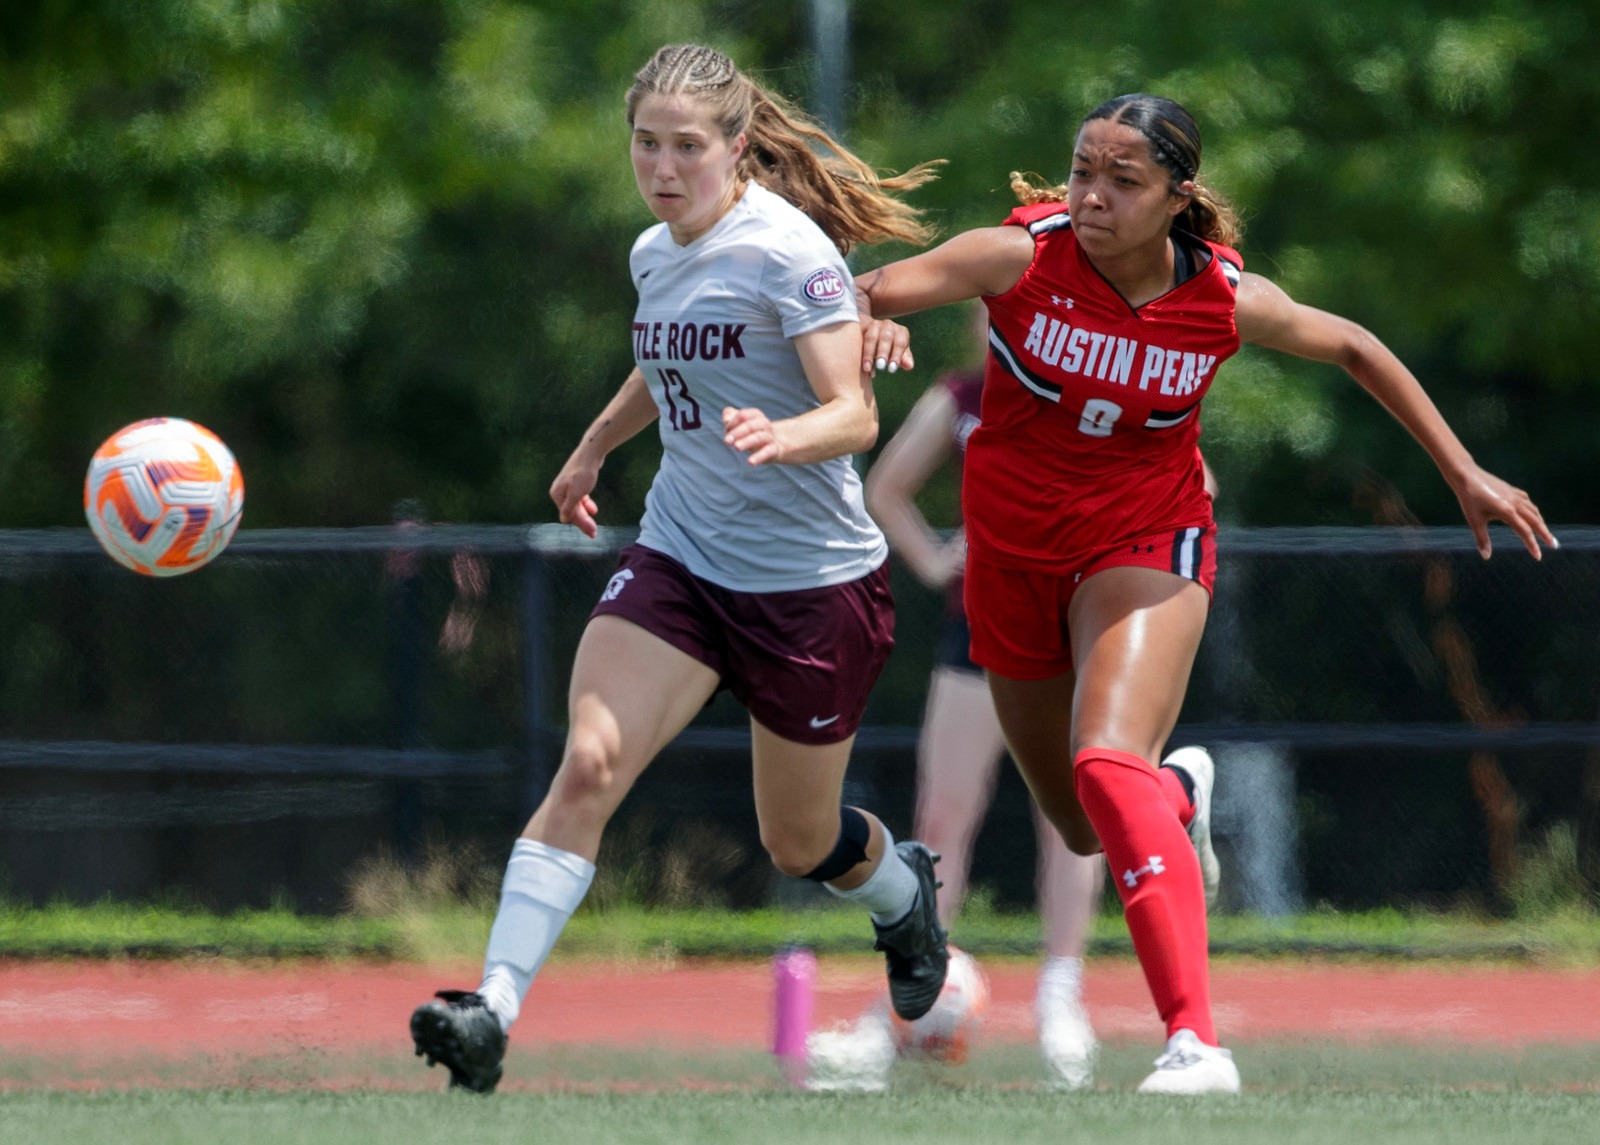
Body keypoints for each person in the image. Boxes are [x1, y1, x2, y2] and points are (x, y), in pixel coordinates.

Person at [853, 93, 1555, 1095]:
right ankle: (1179, 791)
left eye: (1122, 180)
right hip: (1010, 560)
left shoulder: (1219, 295)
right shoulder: (1020, 256)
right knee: (1082, 819)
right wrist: (868, 322)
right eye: (1082, 169)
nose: (1091, 196)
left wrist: (1461, 470)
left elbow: (1352, 342)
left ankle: (1192, 1041)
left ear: (1177, 195)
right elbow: (865, 288)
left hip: (1147, 537)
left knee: (1104, 757)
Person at [408, 43, 948, 1094]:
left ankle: (900, 891)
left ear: (737, 147)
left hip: (811, 585)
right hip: (682, 557)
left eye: (686, 147)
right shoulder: (654, 251)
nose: (662, 166)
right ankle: (491, 1008)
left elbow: (854, 412)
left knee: (800, 841)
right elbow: (668, 358)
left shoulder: (790, 254)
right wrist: (593, 445)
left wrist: (784, 437)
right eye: (645, 143)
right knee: (590, 760)